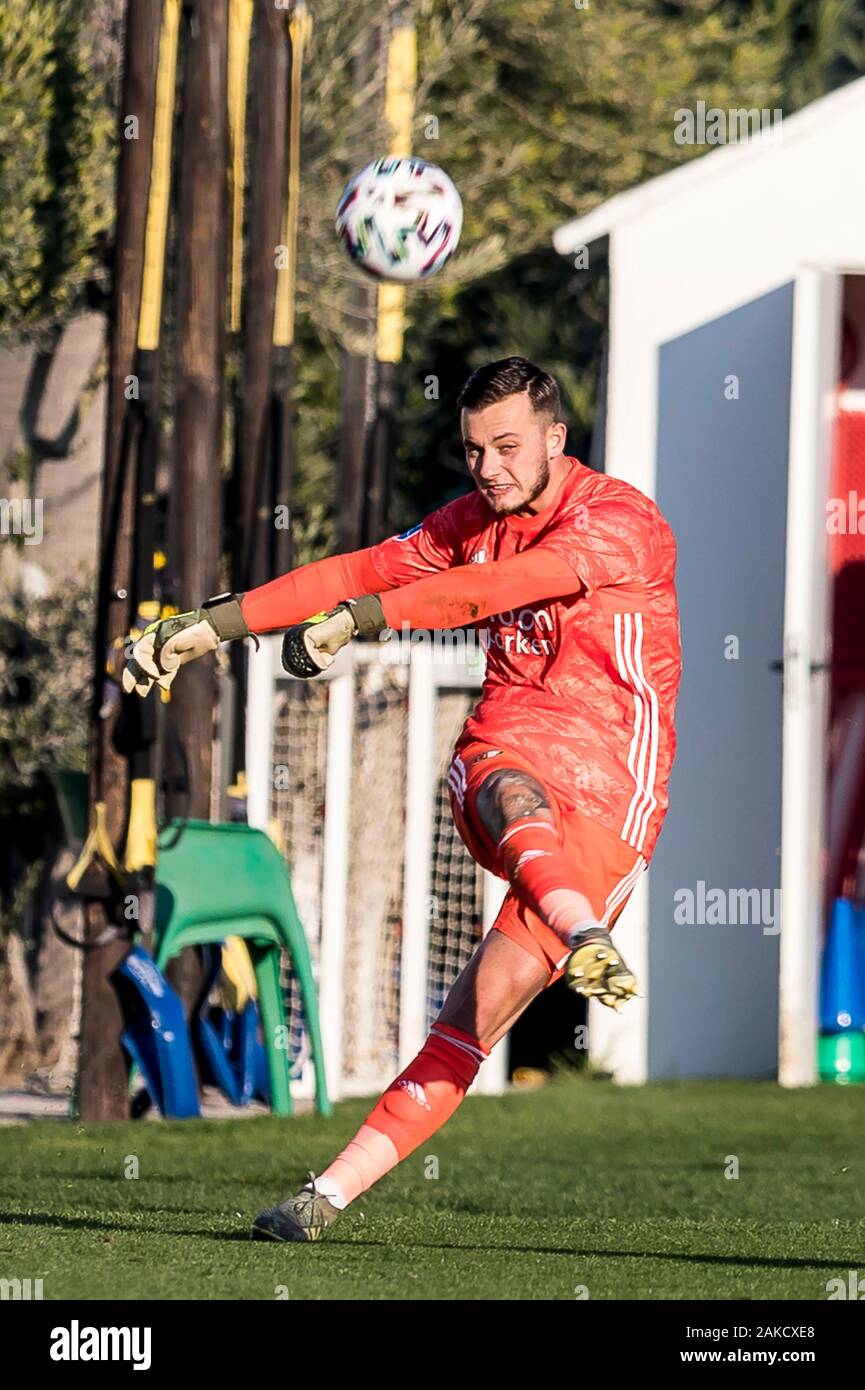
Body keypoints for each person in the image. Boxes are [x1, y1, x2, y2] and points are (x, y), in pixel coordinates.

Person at [124, 356, 682, 1243]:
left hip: (616, 789)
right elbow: (353, 570)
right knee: (495, 772)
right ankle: (581, 929)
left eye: (506, 447)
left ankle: (325, 1197)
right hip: (517, 743)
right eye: (473, 451)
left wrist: (364, 621)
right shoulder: (470, 520)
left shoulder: (620, 520)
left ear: (554, 440)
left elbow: (496, 589)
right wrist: (206, 628)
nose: (488, 468)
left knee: (471, 1017)